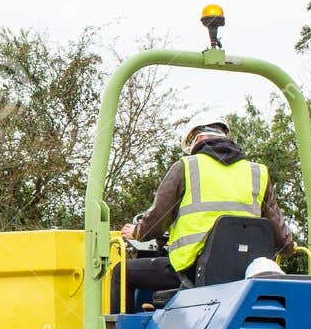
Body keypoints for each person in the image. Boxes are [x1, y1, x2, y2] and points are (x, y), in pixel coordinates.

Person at [111, 111, 294, 299]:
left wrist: (137, 231)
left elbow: (158, 221)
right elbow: (284, 241)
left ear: (195, 137)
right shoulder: (258, 173)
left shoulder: (186, 167)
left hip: (192, 271)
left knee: (121, 272)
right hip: (245, 273)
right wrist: (290, 247)